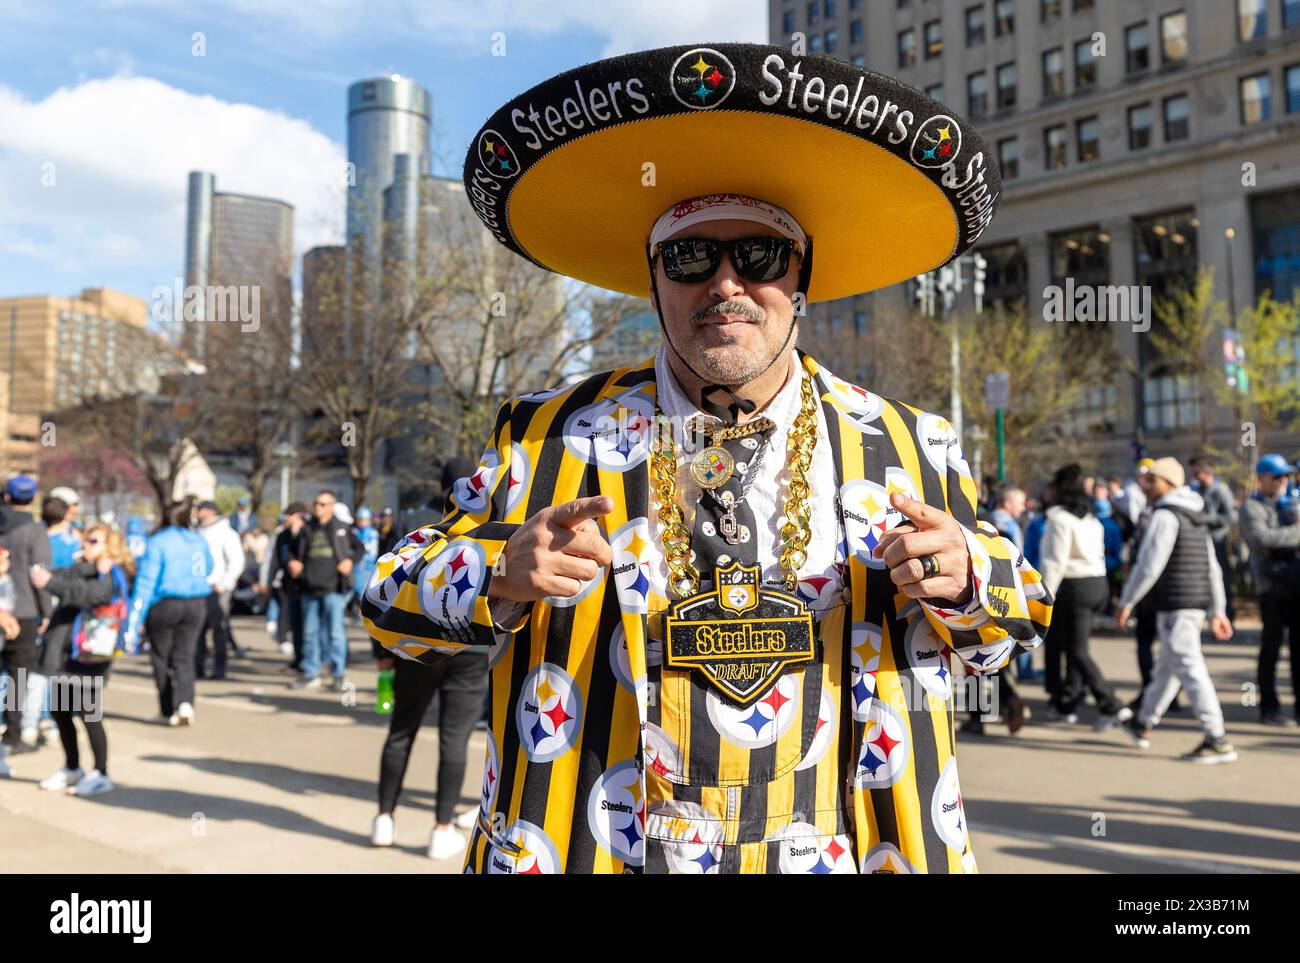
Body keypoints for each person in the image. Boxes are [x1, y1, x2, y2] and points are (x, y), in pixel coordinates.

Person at [363, 43, 1054, 875]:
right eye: (692, 257)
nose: (726, 283)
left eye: (759, 257)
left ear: (800, 276)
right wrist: (497, 575)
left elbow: (1013, 625)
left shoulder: (911, 442)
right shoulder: (547, 435)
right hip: (601, 845)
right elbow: (385, 600)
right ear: (655, 281)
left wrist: (970, 576)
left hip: (845, 846)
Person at [1112, 457, 1236, 762]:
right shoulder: (1195, 513)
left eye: (1152, 480)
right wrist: (1218, 609)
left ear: (1168, 483)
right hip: (1191, 603)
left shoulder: (1165, 515)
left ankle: (1216, 737)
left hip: (1177, 604)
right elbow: (1213, 567)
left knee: (1190, 668)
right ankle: (1142, 723)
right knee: (1168, 668)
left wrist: (1127, 600)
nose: (1145, 485)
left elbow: (1149, 565)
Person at [28, 524, 135, 796]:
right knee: (61, 712)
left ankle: (101, 772)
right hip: (67, 654)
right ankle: (73, 767)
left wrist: (51, 583)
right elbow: (66, 576)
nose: (86, 545)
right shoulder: (87, 568)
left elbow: (91, 596)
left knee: (89, 715)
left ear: (109, 545)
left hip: (90, 656)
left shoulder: (112, 574)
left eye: (94, 541)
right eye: (86, 541)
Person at [370, 650, 489, 859]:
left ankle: (384, 819)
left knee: (401, 732)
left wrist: (381, 650)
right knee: (455, 741)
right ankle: (442, 829)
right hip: (472, 645)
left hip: (419, 639)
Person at [1037, 464, 1124, 724]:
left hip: (1074, 586)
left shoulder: (1059, 519)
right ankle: (1069, 701)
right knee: (1076, 644)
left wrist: (1043, 598)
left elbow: (1055, 562)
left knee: (1075, 649)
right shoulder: (1090, 518)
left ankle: (1109, 701)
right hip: (1097, 583)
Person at [121, 497, 213, 727]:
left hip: (165, 603)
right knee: (185, 655)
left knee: (161, 656)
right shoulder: (198, 541)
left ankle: (166, 706)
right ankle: (185, 703)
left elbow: (146, 582)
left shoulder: (158, 542)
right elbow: (206, 569)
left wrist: (135, 617)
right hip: (196, 602)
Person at [1239, 453, 1300, 727]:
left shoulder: (1292, 504)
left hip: (1296, 584)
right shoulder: (1252, 507)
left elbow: (1273, 542)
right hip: (1271, 587)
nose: (1282, 481)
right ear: (1262, 478)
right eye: (1276, 476)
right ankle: (1269, 707)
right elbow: (1261, 539)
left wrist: (1281, 541)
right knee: (1271, 649)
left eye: (1285, 476)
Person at [289, 491, 363, 690]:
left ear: (331, 506)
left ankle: (338, 673)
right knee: (310, 634)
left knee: (335, 633)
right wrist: (292, 562)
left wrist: (349, 561)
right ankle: (311, 672)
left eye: (322, 504)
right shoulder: (306, 527)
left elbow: (359, 548)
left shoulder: (342, 527)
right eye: (316, 503)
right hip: (309, 587)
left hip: (334, 588)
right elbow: (291, 550)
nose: (318, 507)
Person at [0, 475, 52, 753]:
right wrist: (47, 612)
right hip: (24, 611)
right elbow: (40, 576)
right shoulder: (34, 531)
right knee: (19, 676)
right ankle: (14, 734)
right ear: (33, 498)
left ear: (7, 497)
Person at [194, 500, 245, 679]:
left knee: (219, 628)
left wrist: (224, 583)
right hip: (198, 588)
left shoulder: (227, 533)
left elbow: (236, 561)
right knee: (198, 629)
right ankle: (197, 666)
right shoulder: (197, 532)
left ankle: (219, 666)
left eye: (200, 509)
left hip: (217, 588)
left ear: (209, 511)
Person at [1188, 456, 1238, 622]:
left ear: (1207, 472)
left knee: (1221, 579)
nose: (1194, 476)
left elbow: (1231, 516)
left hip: (1218, 541)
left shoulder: (1220, 490)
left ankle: (1227, 614)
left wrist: (1207, 519)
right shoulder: (1196, 491)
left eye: (1197, 472)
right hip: (1201, 541)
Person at [260, 504, 307, 664]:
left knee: (308, 623)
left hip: (307, 584)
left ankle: (308, 657)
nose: (286, 518)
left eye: (290, 514)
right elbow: (274, 560)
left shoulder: (308, 532)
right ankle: (297, 655)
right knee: (290, 617)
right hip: (287, 583)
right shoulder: (282, 535)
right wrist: (267, 581)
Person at [354, 507, 380, 614]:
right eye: (359, 519)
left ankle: (365, 614)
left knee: (364, 591)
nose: (360, 522)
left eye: (363, 519)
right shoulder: (356, 531)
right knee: (356, 589)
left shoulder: (372, 533)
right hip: (357, 566)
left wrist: (366, 563)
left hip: (366, 566)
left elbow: (372, 551)